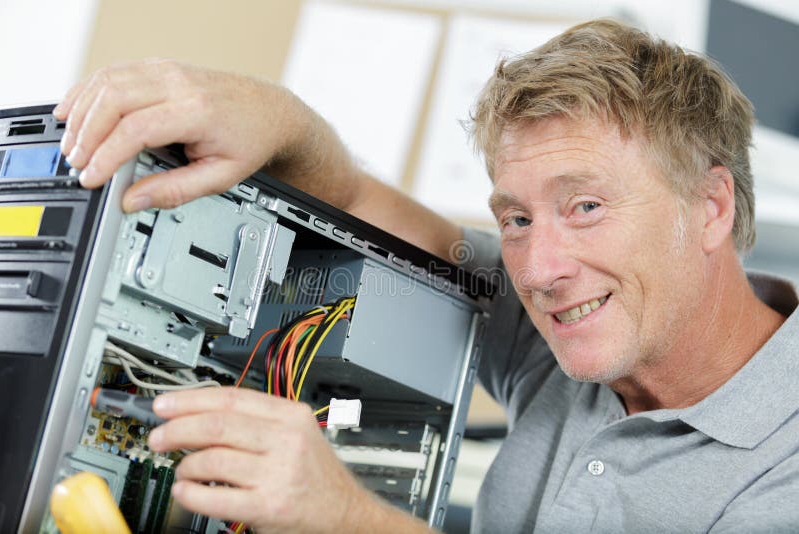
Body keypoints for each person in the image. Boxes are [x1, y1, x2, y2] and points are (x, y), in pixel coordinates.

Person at [54, 19, 798, 533]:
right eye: (516, 219)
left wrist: (348, 519)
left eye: (587, 206)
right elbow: (351, 200)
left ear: (709, 207)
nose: (538, 271)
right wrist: (281, 118)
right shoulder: (593, 324)